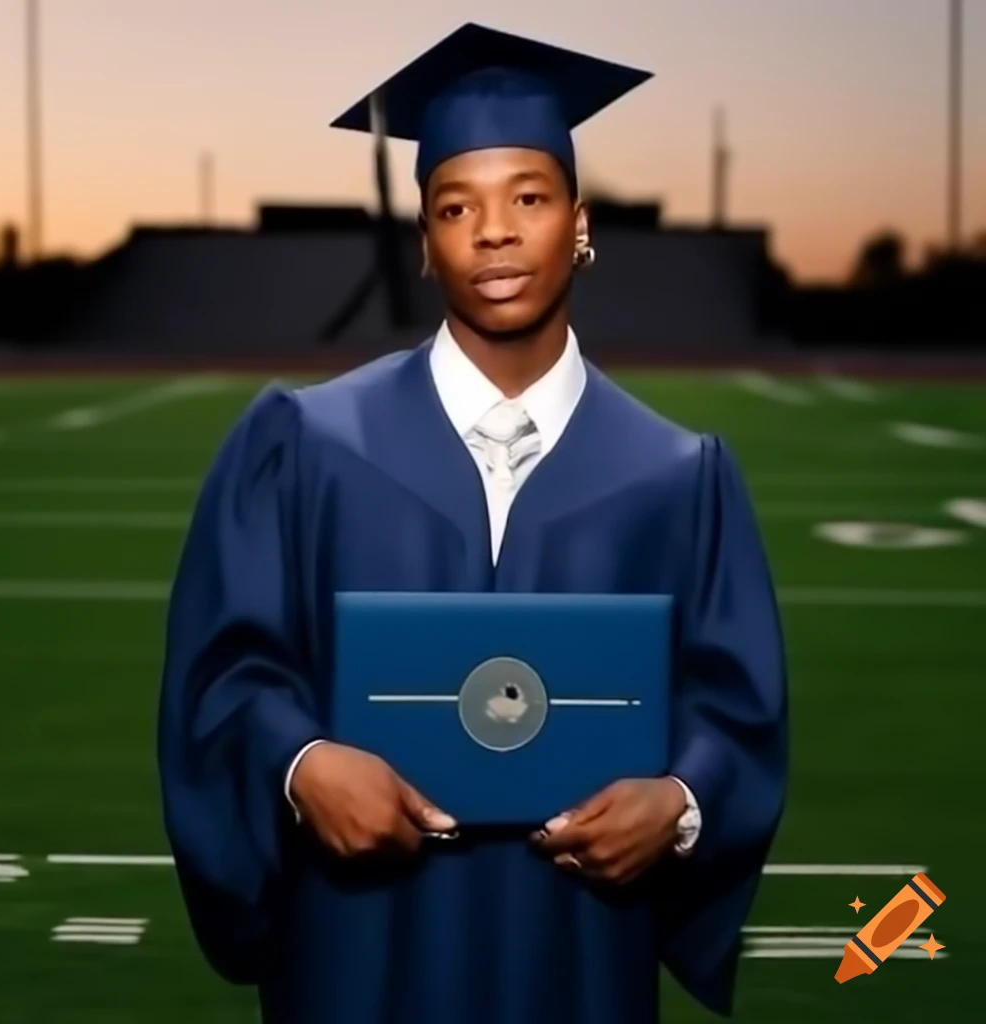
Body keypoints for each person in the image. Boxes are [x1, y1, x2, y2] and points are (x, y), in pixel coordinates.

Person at [157, 22, 788, 1024]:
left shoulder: (678, 475)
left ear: (580, 222)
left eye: (528, 198)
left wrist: (680, 804)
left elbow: (736, 713)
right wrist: (300, 764)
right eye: (456, 206)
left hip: (578, 955)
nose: (492, 231)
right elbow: (223, 675)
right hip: (353, 960)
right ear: (424, 240)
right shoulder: (305, 442)